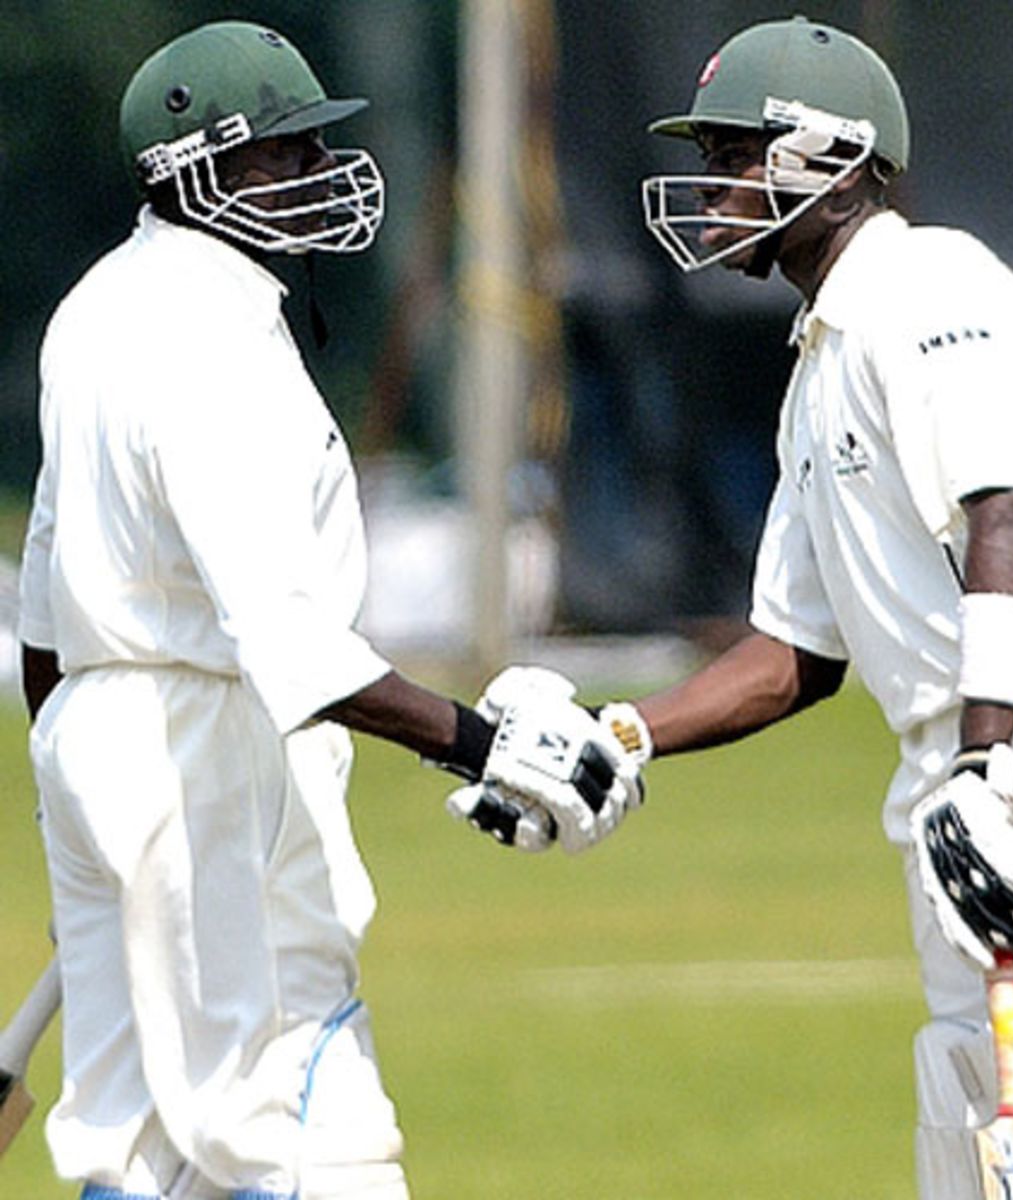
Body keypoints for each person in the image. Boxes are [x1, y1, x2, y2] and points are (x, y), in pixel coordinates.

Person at [471, 14, 1013, 1199]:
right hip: (969, 766)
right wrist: (623, 737)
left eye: (736, 155)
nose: (710, 188)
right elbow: (792, 656)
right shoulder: (821, 360)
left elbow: (1010, 511)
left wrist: (986, 769)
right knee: (982, 1153)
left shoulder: (931, 286)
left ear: (839, 162)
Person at [17, 21, 640, 1200]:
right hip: (207, 760)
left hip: (99, 747)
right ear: (192, 170)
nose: (315, 176)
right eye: (282, 156)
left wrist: (84, 823)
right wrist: (484, 741)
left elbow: (48, 605)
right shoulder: (210, 339)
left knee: (144, 1150)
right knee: (307, 1126)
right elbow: (289, 644)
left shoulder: (93, 309)